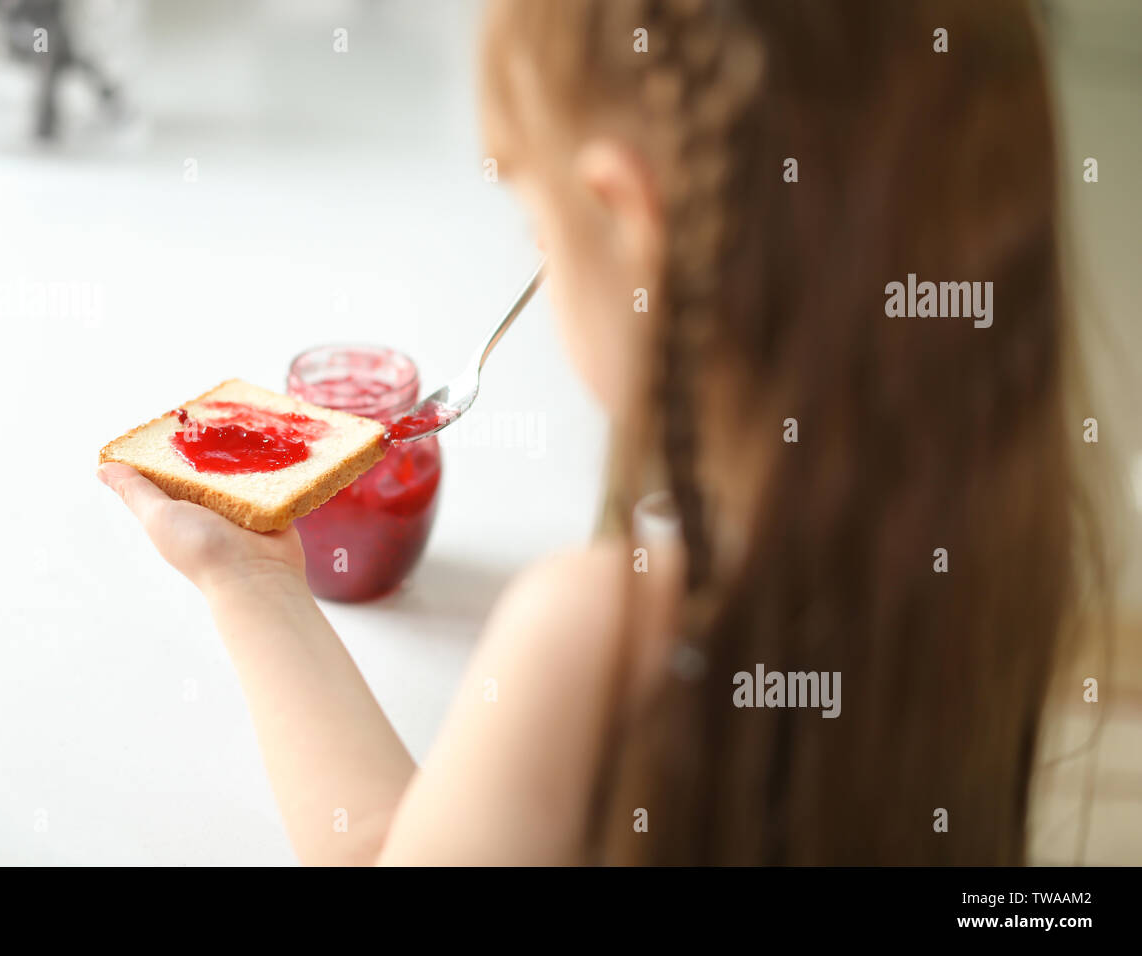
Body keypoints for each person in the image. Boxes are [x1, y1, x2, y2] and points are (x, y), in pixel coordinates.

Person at [98, 0, 1102, 864]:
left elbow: (379, 850)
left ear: (632, 222)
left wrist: (246, 584)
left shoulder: (600, 630)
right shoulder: (1004, 535)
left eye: (538, 220)